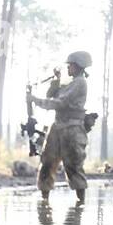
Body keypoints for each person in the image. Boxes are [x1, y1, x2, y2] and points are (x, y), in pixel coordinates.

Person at [27, 50, 92, 203]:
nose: (68, 68)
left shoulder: (80, 83)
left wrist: (34, 100)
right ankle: (45, 199)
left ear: (78, 66)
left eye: (70, 66)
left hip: (72, 130)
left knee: (73, 166)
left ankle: (80, 203)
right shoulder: (70, 83)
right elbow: (52, 95)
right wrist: (56, 80)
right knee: (47, 163)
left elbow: (59, 102)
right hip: (57, 128)